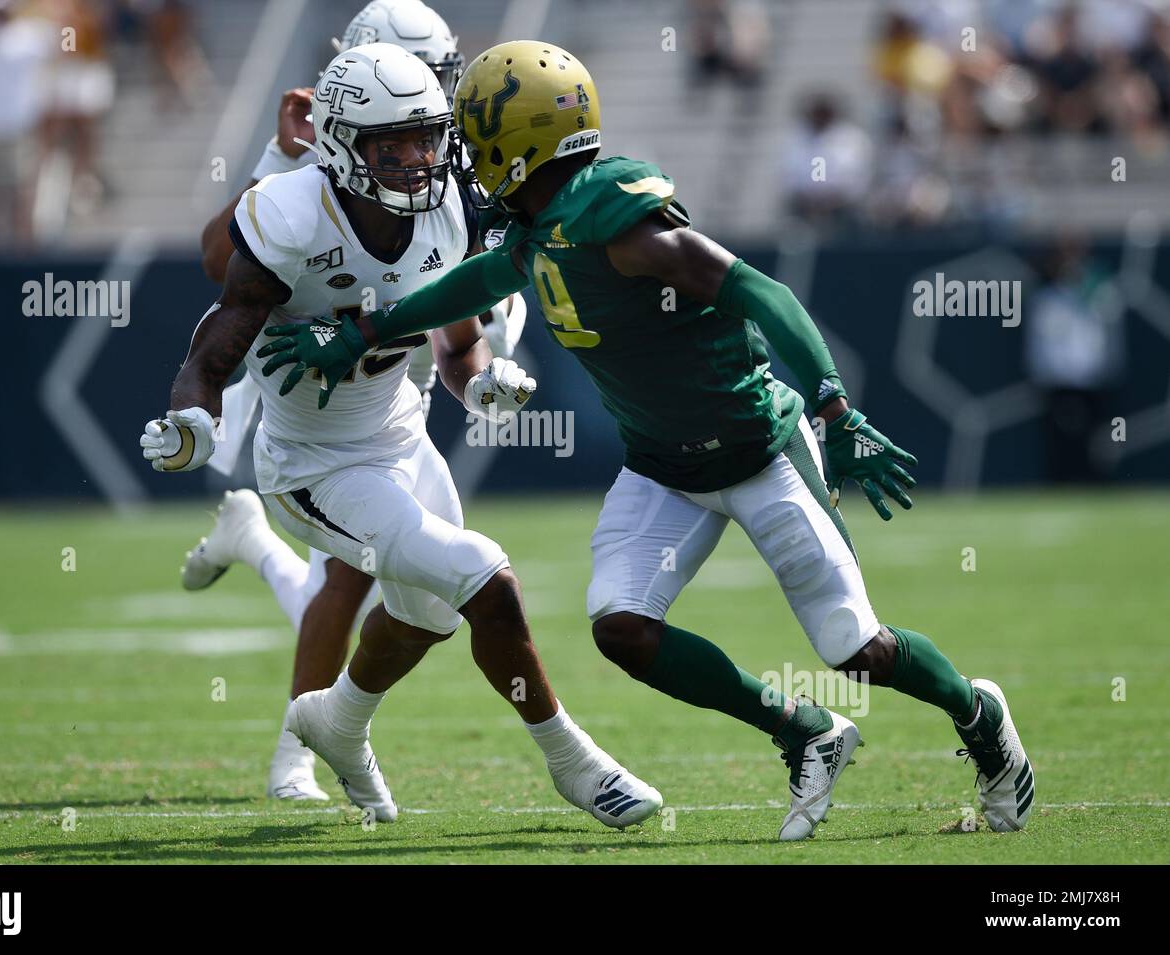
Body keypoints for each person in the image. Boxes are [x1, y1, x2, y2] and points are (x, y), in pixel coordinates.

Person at [258, 40, 1036, 838]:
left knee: (852, 648)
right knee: (622, 627)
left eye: (479, 142)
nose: (468, 165)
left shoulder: (618, 222)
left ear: (515, 145)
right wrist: (370, 332)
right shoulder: (539, 230)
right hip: (663, 467)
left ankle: (980, 717)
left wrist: (835, 410)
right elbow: (476, 284)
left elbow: (761, 290)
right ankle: (806, 731)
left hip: (760, 450)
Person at [142, 43, 661, 829]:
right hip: (312, 465)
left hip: (400, 441)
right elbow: (217, 341)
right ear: (344, 143)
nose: (419, 159)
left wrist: (480, 379)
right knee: (488, 578)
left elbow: (455, 344)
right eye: (394, 143)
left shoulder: (447, 208)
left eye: (426, 137)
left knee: (429, 615)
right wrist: (192, 419)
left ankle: (336, 722)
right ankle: (574, 763)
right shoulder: (291, 213)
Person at [187, 0, 526, 803]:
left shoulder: (440, 160)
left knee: (385, 574)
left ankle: (256, 550)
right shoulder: (331, 155)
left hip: (406, 377)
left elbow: (472, 284)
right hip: (331, 395)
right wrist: (278, 158)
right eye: (399, 123)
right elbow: (218, 260)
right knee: (353, 573)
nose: (420, 135)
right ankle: (296, 751)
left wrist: (486, 338)